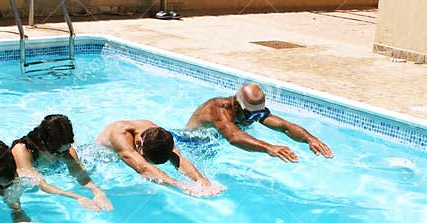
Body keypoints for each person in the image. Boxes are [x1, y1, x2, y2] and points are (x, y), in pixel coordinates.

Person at [185, 83, 333, 162]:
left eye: (259, 113)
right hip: (192, 143)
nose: (254, 118)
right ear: (237, 105)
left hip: (214, 142)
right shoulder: (218, 110)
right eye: (251, 114)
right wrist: (268, 147)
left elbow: (284, 126)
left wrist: (309, 139)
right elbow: (234, 137)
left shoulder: (251, 109)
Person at [11, 114, 113, 211]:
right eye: (58, 152)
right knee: (28, 187)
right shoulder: (22, 151)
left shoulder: (66, 150)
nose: (64, 154)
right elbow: (41, 184)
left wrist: (98, 192)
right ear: (43, 144)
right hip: (23, 176)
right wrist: (78, 197)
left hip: (53, 168)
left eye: (67, 149)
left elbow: (81, 175)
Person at [95, 119, 223, 195]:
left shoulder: (158, 135)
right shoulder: (119, 135)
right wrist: (182, 186)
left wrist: (204, 182)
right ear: (139, 144)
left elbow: (180, 160)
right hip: (100, 157)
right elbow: (143, 168)